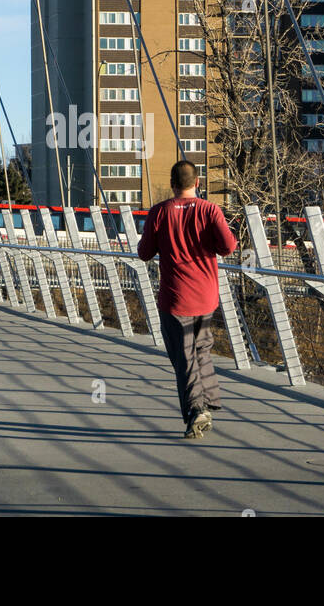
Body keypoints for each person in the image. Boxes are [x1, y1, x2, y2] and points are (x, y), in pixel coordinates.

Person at [137, 160, 238, 439]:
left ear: (172, 184)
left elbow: (144, 253)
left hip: (174, 298)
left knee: (183, 358)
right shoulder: (210, 210)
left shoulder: (159, 212)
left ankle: (197, 410)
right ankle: (209, 399)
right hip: (206, 295)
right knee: (202, 348)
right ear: (197, 183)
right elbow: (228, 247)